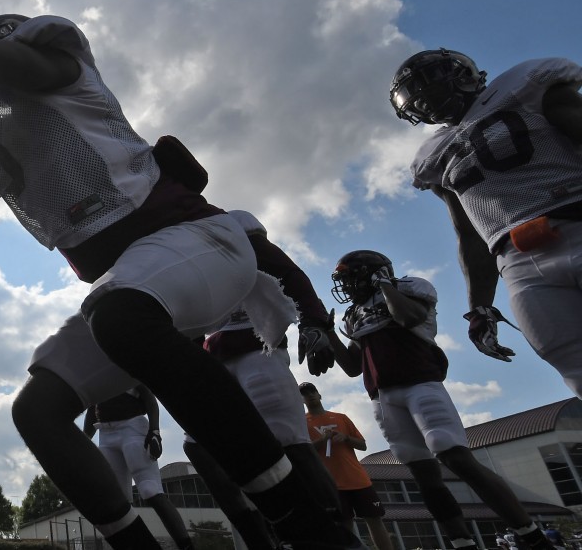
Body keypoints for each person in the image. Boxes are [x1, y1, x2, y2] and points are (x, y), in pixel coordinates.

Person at [0, 0, 356, 550]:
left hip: (198, 243)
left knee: (121, 317)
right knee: (39, 412)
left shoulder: (60, 71)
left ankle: (304, 524)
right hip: (132, 283)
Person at [327, 249, 553, 550]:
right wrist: (327, 332)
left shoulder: (408, 289)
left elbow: (409, 318)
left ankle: (531, 536)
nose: (348, 286)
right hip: (382, 396)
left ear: (374, 272)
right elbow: (354, 367)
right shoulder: (355, 313)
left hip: (420, 382)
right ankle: (462, 542)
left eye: (350, 278)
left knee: (456, 457)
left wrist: (385, 286)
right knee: (423, 474)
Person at [389, 50, 582, 397]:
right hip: (519, 262)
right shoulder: (434, 154)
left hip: (575, 218)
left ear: (461, 74)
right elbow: (469, 234)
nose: (426, 102)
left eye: (428, 88)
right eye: (416, 99)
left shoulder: (526, 86)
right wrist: (478, 307)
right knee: (572, 365)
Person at [181, 210, 343, 550]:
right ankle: (261, 540)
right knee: (199, 448)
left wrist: (312, 321)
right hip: (214, 361)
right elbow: (183, 314)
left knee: (289, 443)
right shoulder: (171, 242)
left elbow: (285, 270)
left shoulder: (227, 224)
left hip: (259, 351)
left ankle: (339, 536)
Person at [82, 385, 194, 550]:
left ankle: (186, 546)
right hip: (105, 434)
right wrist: (84, 441)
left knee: (150, 489)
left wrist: (155, 431)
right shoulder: (92, 368)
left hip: (132, 427)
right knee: (116, 503)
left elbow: (148, 395)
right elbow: (93, 408)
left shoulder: (119, 362)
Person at [298, 382, 394, 550]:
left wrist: (346, 438)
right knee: (343, 527)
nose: (311, 395)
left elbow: (363, 445)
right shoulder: (302, 423)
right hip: (331, 485)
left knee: (375, 521)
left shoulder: (341, 417)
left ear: (319, 394)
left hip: (359, 481)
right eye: (305, 394)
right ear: (301, 400)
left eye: (313, 391)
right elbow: (305, 452)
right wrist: (322, 439)